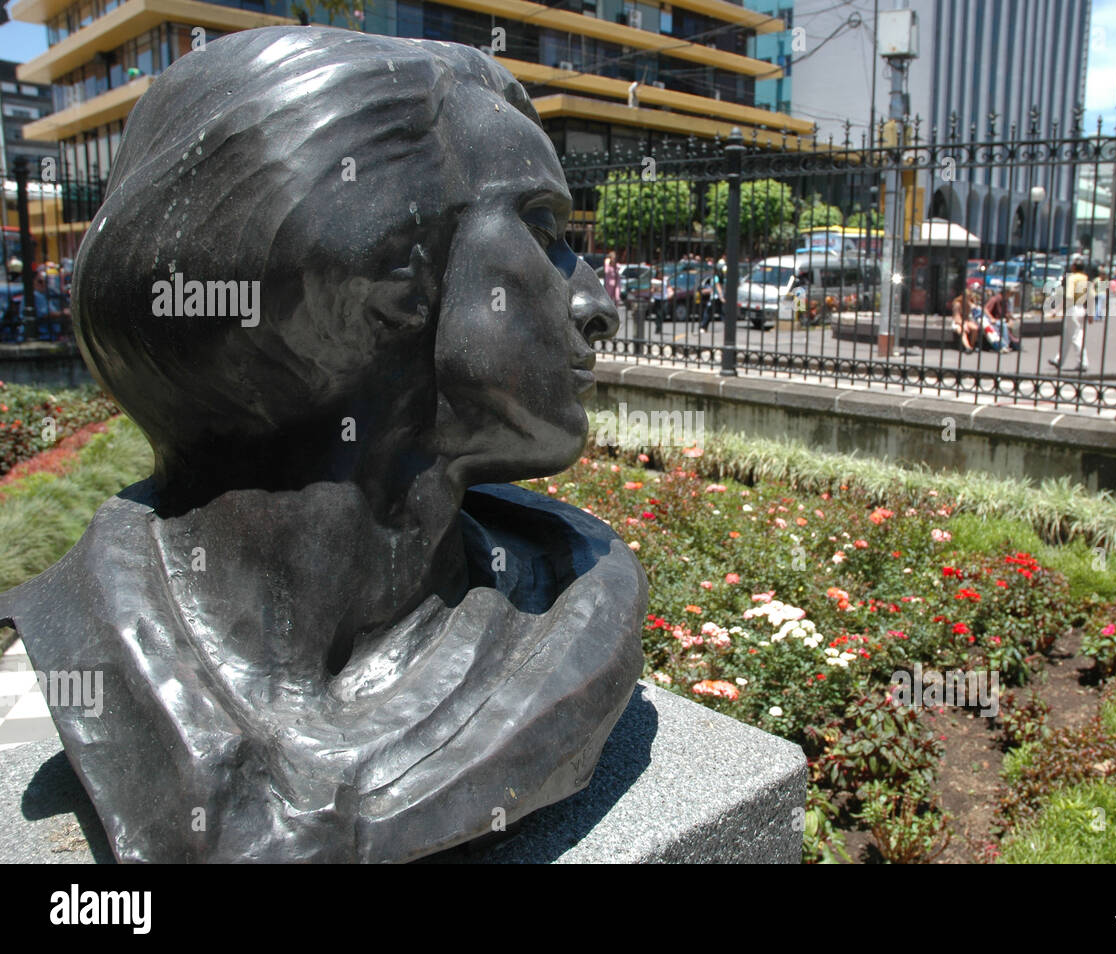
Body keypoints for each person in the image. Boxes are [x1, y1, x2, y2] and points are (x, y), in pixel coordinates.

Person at [0, 26, 642, 863]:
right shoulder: (88, 644)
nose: (597, 304)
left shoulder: (573, 606)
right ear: (378, 283)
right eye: (543, 227)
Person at [1049, 259, 1089, 372]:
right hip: (1081, 308)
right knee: (1067, 336)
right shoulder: (1085, 278)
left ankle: (1083, 363)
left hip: (1072, 309)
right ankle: (1059, 360)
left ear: (1074, 267)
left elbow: (1069, 297)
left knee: (1076, 337)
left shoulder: (1072, 278)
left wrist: (1057, 309)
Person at [950, 287, 980, 353]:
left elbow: (971, 314)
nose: (968, 298)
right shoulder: (957, 304)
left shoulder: (969, 304)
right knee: (961, 331)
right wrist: (963, 324)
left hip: (966, 321)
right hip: (958, 322)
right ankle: (967, 347)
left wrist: (973, 305)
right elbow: (957, 318)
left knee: (975, 328)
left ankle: (972, 345)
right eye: (967, 297)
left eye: (969, 297)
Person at [603, 250, 621, 319]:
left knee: (617, 298)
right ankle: (608, 314)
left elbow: (618, 271)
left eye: (615, 258)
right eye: (613, 258)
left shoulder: (617, 266)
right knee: (608, 299)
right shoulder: (608, 265)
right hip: (609, 284)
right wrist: (607, 263)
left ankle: (615, 313)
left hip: (616, 284)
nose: (614, 259)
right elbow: (606, 271)